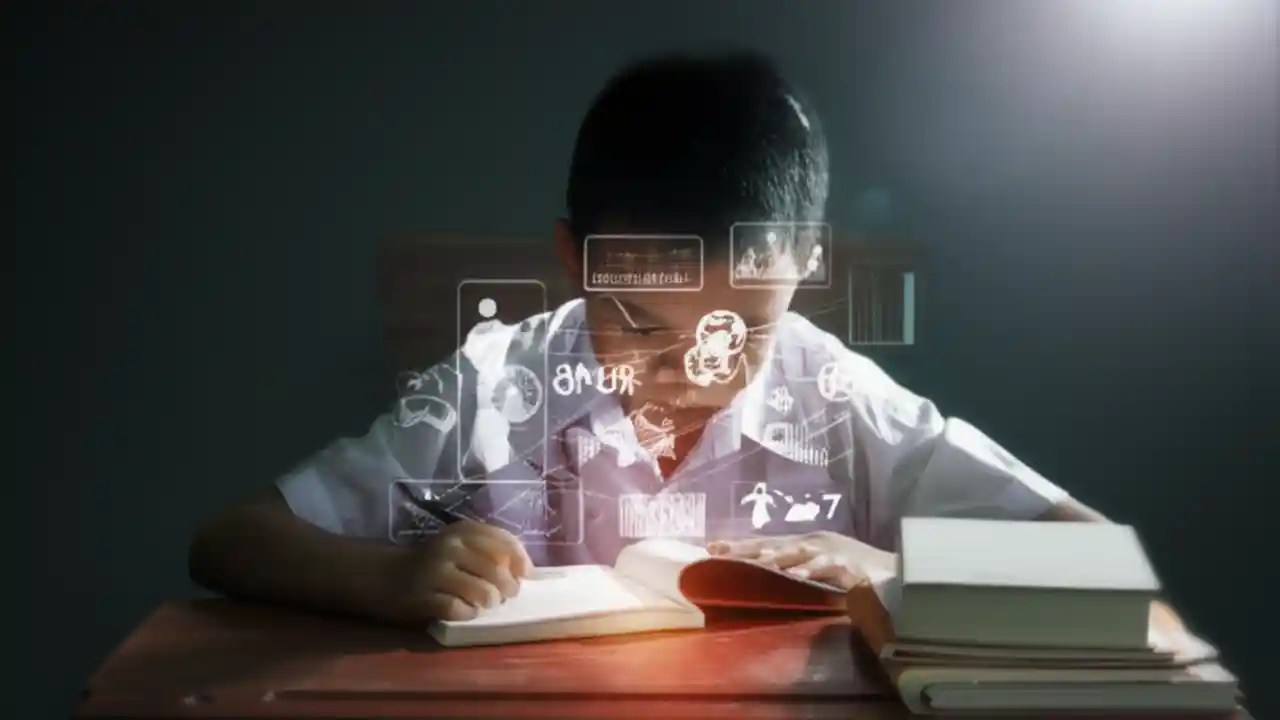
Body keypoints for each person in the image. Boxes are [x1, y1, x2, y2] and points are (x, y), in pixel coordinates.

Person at [189, 53, 1178, 637]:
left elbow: (1096, 564)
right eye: (639, 325)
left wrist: (877, 564)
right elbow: (229, 542)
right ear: (574, 262)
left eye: (740, 331)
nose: (692, 371)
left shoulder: (833, 395)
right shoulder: (496, 385)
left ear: (803, 274)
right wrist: (393, 579)